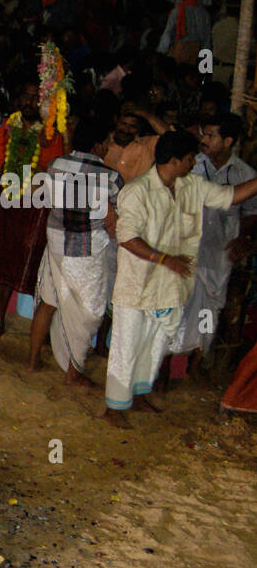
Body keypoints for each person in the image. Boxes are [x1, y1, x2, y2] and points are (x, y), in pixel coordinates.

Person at [102, 130, 257, 427]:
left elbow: (231, 196)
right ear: (174, 160)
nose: (193, 163)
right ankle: (113, 407)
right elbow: (127, 238)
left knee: (156, 344)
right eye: (189, 158)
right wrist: (165, 259)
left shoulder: (191, 186)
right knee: (127, 345)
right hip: (138, 286)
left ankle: (139, 395)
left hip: (171, 287)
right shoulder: (137, 191)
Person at [30, 116, 122, 386]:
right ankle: (74, 372)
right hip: (85, 251)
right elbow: (121, 211)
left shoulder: (57, 164)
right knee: (90, 312)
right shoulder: (111, 177)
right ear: (97, 144)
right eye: (107, 142)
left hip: (56, 245)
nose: (108, 147)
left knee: (48, 302)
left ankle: (33, 361)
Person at [0, 79, 66, 341]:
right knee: (1, 262)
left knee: (37, 267)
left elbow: (58, 173)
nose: (29, 102)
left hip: (38, 209)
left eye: (35, 97)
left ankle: (41, 330)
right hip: (7, 202)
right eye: (24, 96)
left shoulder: (54, 133)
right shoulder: (7, 128)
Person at [170, 113, 257, 364]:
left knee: (210, 306)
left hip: (219, 250)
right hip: (186, 247)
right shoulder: (191, 164)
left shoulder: (245, 174)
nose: (204, 140)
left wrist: (243, 237)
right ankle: (175, 360)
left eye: (211, 135)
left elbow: (251, 213)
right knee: (181, 301)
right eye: (204, 134)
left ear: (228, 141)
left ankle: (199, 356)